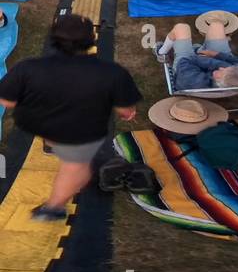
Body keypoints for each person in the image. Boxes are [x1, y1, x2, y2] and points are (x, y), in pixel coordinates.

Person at [0, 15, 140, 221]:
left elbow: (7, 101)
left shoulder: (27, 68)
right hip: (80, 131)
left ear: (53, 38)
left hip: (36, 122)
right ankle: (54, 207)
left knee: (55, 134)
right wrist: (128, 112)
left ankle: (53, 142)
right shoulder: (112, 73)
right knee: (76, 166)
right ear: (91, 40)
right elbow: (125, 109)